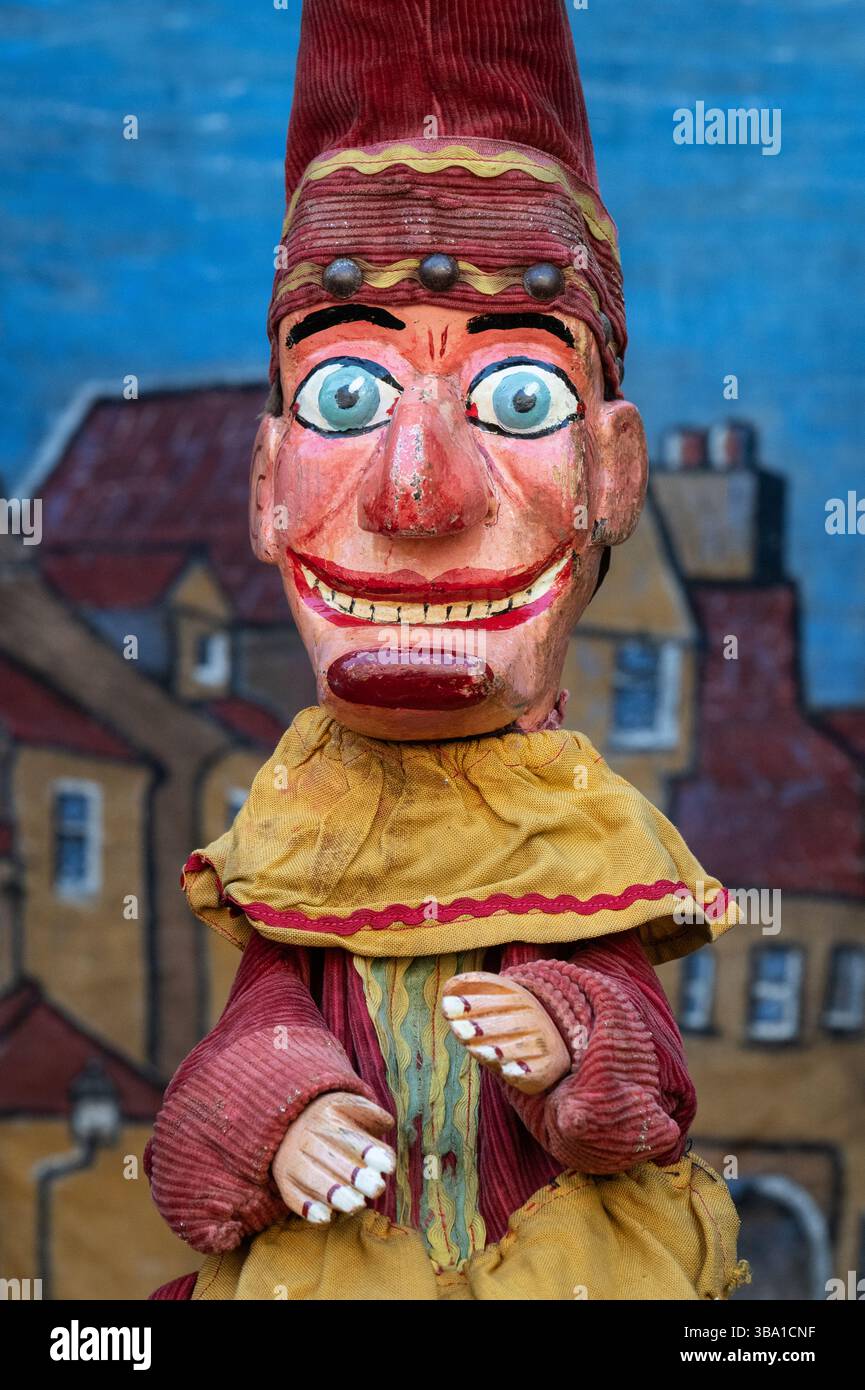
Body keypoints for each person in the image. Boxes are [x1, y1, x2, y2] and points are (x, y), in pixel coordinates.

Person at [147, 0, 747, 1301]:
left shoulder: (571, 838)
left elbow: (649, 1087)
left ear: (610, 475)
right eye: (344, 396)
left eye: (516, 397)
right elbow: (233, 1063)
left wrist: (566, 1043)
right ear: (267, 485)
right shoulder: (301, 836)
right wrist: (281, 1113)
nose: (419, 493)